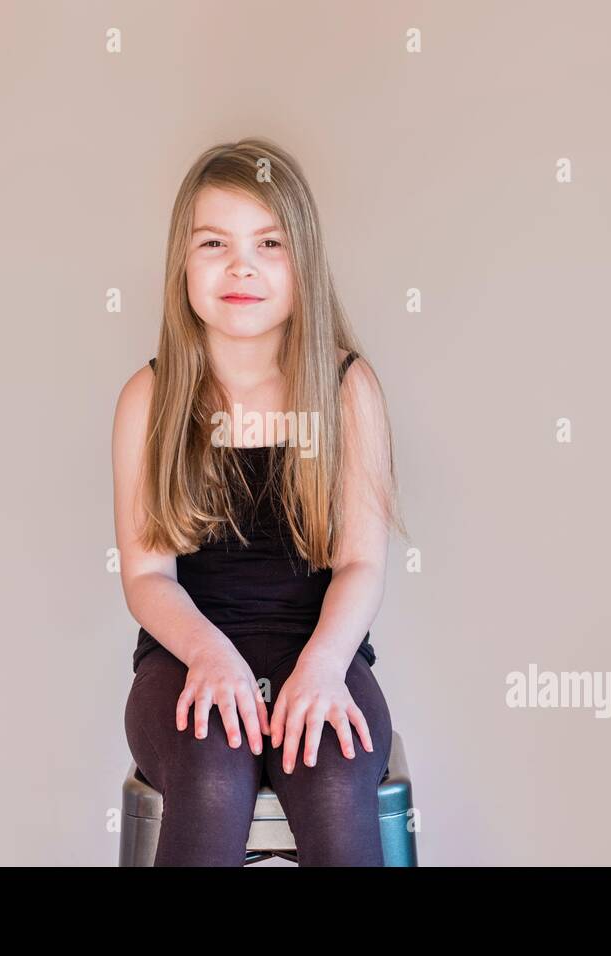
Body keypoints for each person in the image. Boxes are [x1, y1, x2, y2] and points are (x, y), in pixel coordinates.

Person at [112, 137, 407, 866]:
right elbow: (148, 578)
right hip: (186, 658)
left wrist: (323, 666)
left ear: (302, 264)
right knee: (213, 772)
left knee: (336, 777)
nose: (240, 265)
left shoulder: (346, 390)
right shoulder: (150, 399)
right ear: (183, 262)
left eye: (268, 243)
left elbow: (361, 565)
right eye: (214, 242)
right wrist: (211, 656)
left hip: (322, 655)